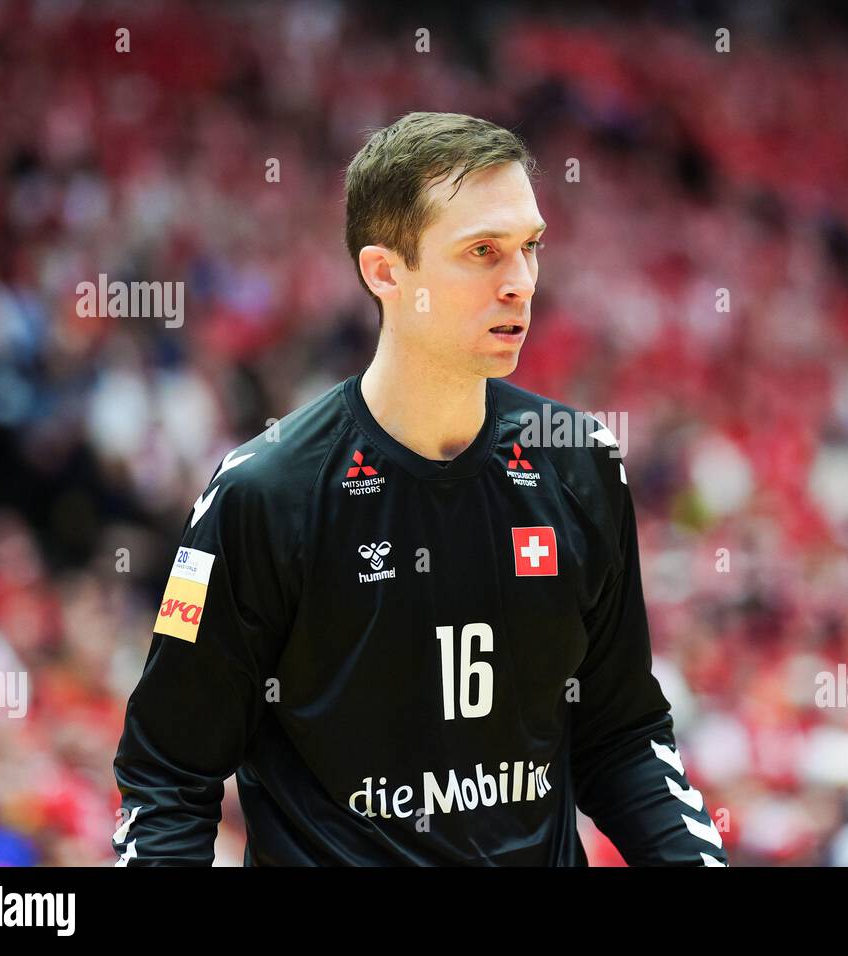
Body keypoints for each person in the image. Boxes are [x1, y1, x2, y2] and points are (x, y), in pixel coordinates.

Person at [112, 111, 727, 866]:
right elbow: (168, 780)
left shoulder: (579, 463)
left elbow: (620, 735)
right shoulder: (265, 495)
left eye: (530, 248)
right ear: (386, 272)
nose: (521, 283)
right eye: (483, 253)